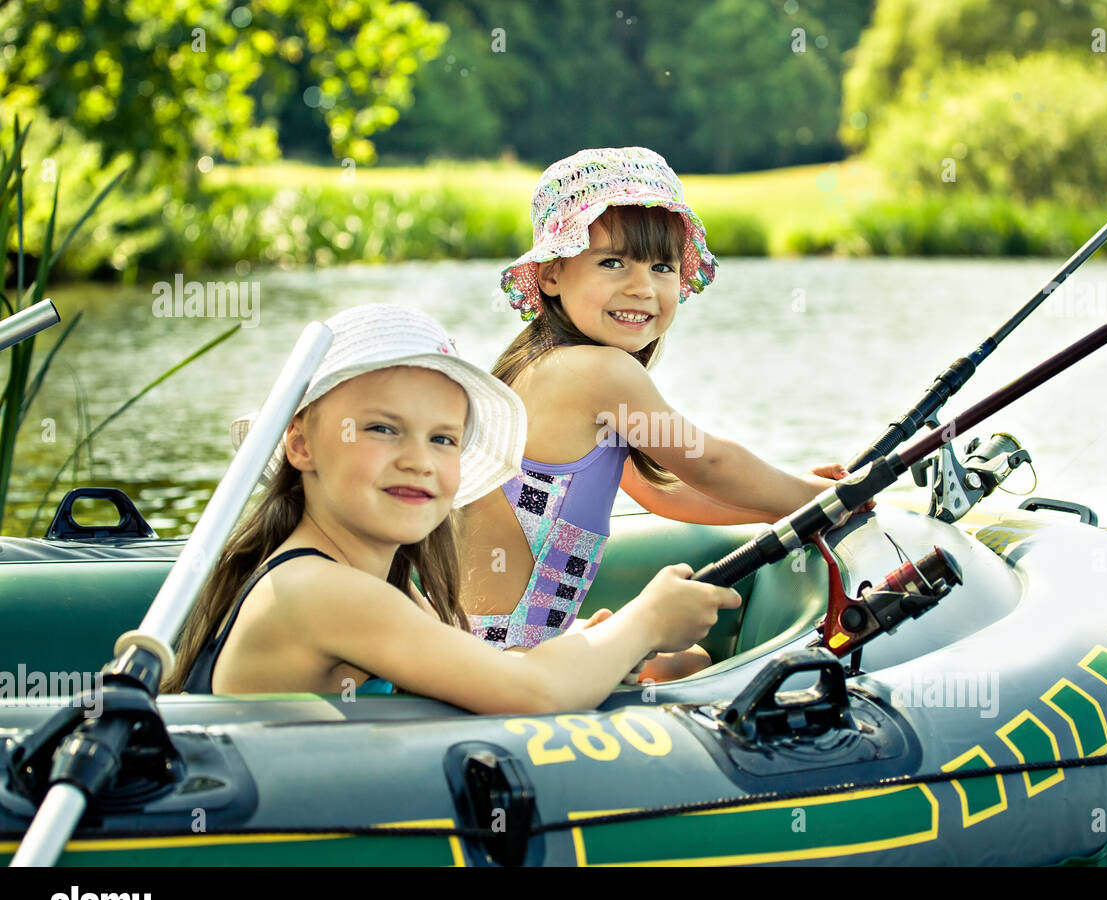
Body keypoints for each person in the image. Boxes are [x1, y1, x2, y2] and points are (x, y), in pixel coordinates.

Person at [162, 303, 741, 713]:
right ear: (301, 444)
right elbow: (533, 695)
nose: (419, 460)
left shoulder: (373, 579)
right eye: (383, 428)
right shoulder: (320, 589)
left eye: (443, 439)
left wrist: (597, 646)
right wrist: (646, 621)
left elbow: (495, 668)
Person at [461, 147, 850, 680]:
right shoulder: (597, 373)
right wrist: (822, 500)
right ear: (551, 276)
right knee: (687, 669)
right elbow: (705, 463)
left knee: (687, 660)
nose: (641, 287)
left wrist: (787, 502)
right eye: (612, 262)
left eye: (661, 266)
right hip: (504, 655)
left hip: (499, 636)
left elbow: (662, 490)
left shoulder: (539, 365)